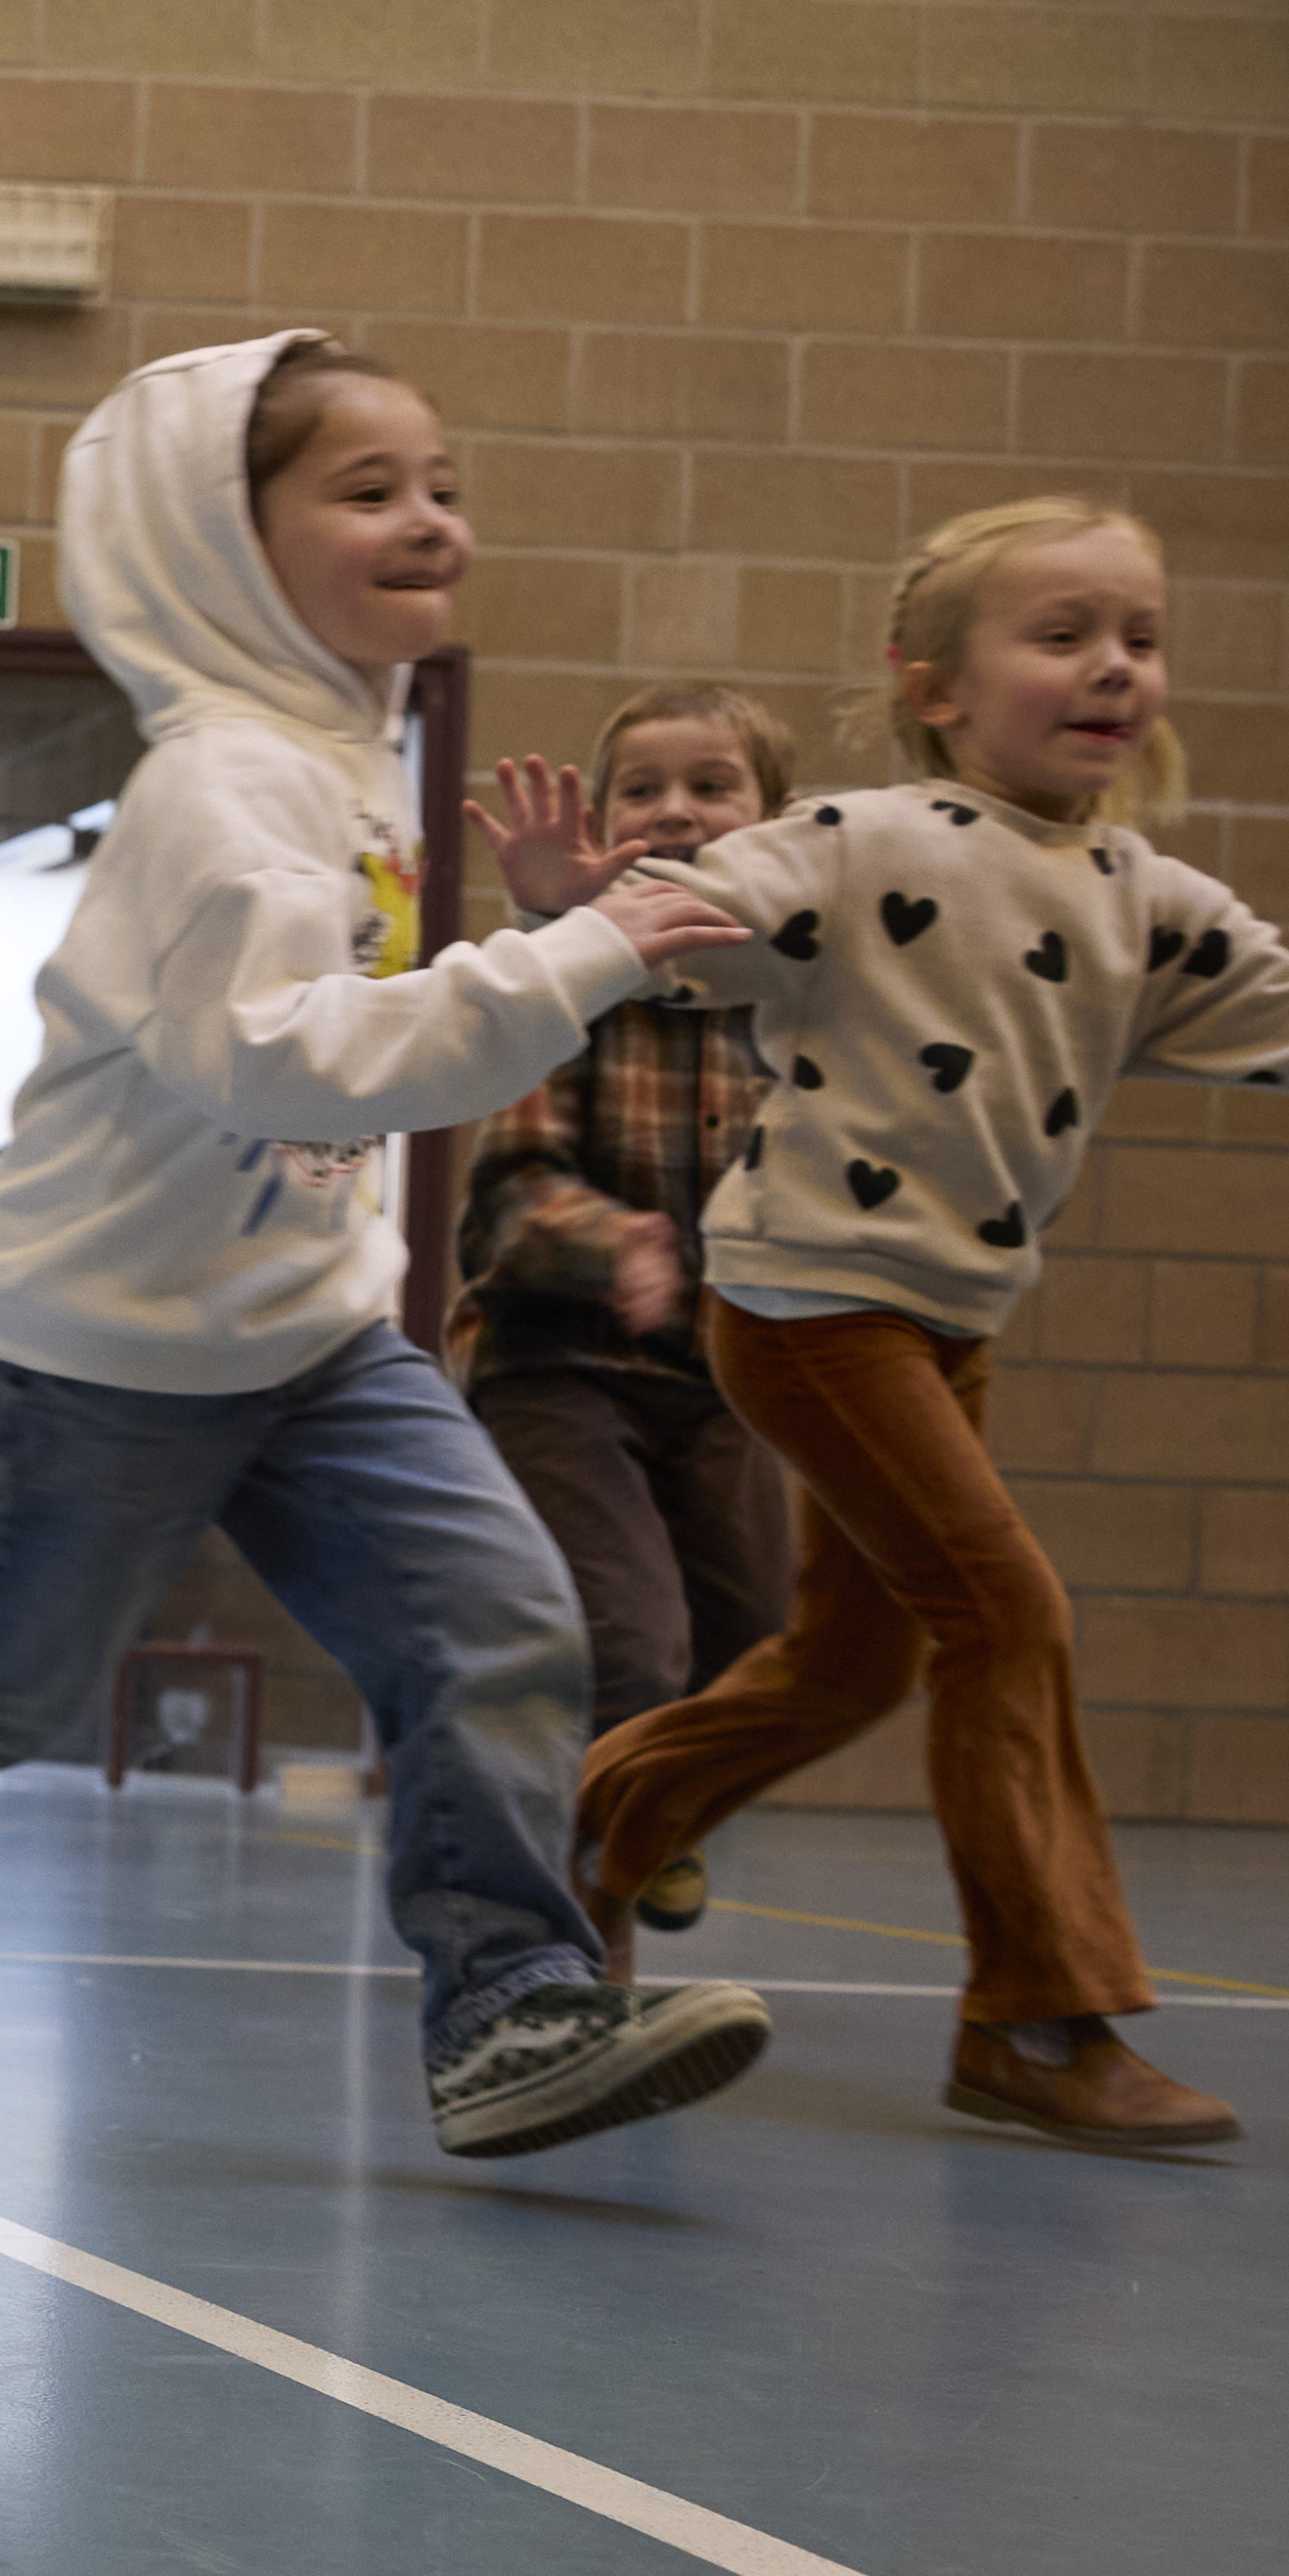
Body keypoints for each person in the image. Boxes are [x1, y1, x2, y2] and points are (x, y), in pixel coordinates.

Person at [0, 336, 778, 2158]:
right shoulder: (225, 788)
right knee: (6, 1673)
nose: (430, 518)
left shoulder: (345, 756)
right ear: (224, 545)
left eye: (443, 484)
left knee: (499, 1615)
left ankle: (510, 2003)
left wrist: (535, 932)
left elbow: (363, 1028)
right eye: (368, 490)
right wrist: (576, 956)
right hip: (114, 1339)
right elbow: (283, 1055)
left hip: (310, 1330)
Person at [572, 502, 1289, 2150]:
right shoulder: (865, 841)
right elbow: (692, 917)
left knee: (855, 1664)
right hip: (809, 1297)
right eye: (1062, 634)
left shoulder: (1145, 897)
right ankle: (1036, 2021)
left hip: (941, 1321)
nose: (1113, 665)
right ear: (933, 685)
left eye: (1139, 637)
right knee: (1009, 1613)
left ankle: (587, 1837)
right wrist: (590, 914)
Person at [445, 686, 801, 1937]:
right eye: (642, 790)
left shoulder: (792, 993)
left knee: (755, 1638)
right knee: (631, 1641)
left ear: (779, 818)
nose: (675, 811)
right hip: (563, 1361)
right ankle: (577, 1931)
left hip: (723, 1371)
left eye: (712, 786)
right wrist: (616, 1244)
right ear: (604, 823)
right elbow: (505, 1189)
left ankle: (657, 1812)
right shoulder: (575, 974)